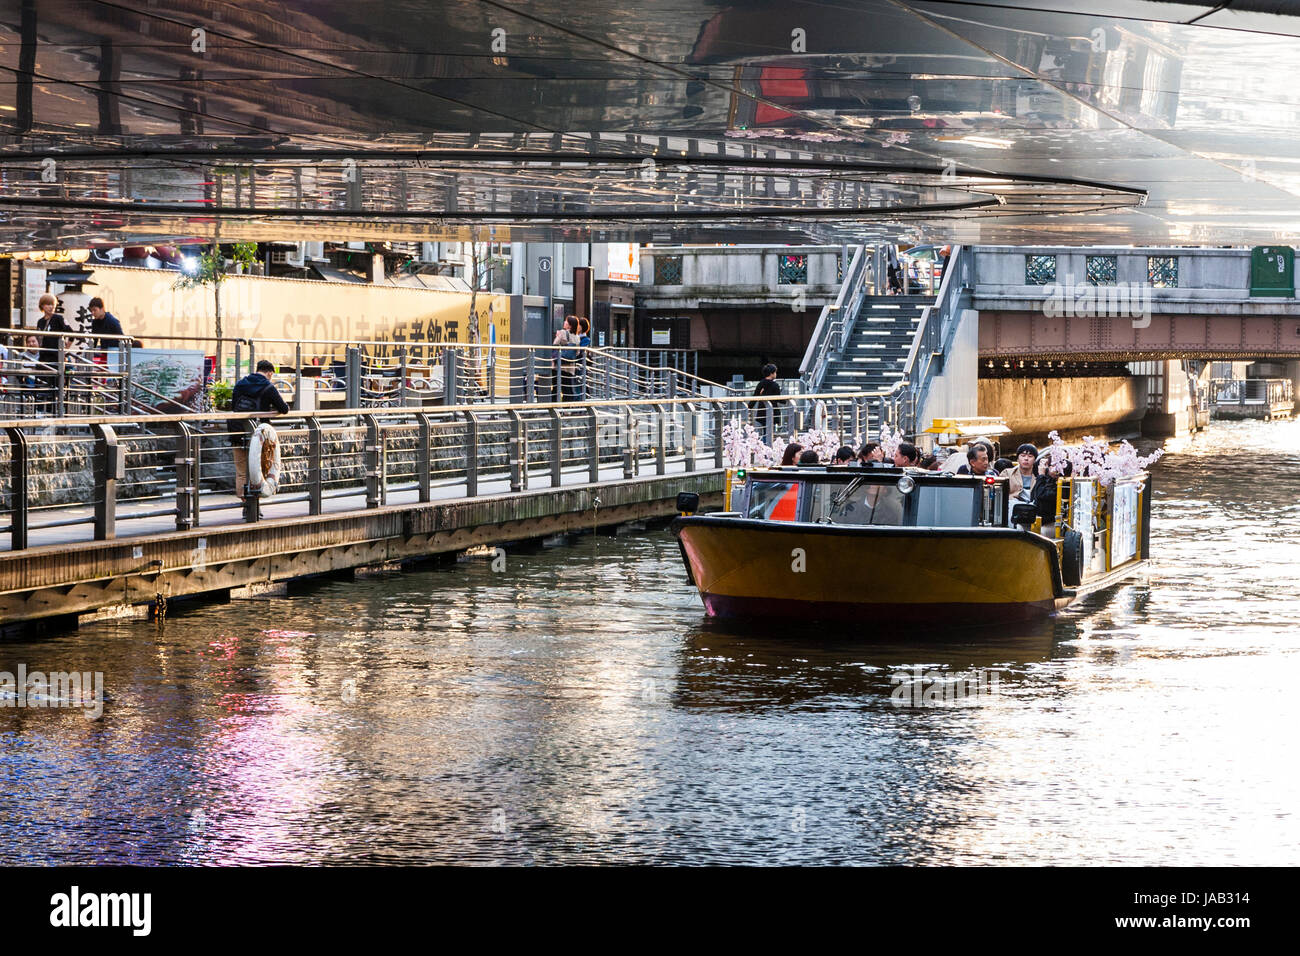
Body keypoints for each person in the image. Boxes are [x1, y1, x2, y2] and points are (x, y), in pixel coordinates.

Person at [229, 359, 288, 497]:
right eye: (271, 375)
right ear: (268, 373)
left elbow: (233, 407)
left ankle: (245, 503)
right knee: (259, 471)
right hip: (259, 434)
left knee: (242, 472)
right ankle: (255, 506)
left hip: (238, 432)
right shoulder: (268, 387)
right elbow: (283, 408)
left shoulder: (240, 384)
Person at [553, 315, 580, 401]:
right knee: (567, 388)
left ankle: (554, 407)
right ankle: (567, 408)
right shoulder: (577, 337)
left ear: (570, 325)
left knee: (556, 387)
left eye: (566, 321)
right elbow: (578, 352)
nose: (564, 322)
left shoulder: (562, 332)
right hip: (570, 367)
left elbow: (555, 344)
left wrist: (557, 335)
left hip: (559, 366)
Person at [752, 363, 781, 439]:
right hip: (773, 412)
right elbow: (779, 398)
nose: (776, 374)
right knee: (771, 432)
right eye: (775, 372)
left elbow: (755, 396)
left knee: (764, 431)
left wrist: (749, 406)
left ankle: (764, 445)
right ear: (771, 374)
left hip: (762, 411)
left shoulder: (761, 383)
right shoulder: (775, 385)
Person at [576, 316, 591, 400]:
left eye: (579, 325)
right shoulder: (575, 337)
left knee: (582, 383)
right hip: (576, 364)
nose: (577, 327)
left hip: (581, 364)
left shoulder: (586, 339)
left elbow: (580, 351)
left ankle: (585, 402)